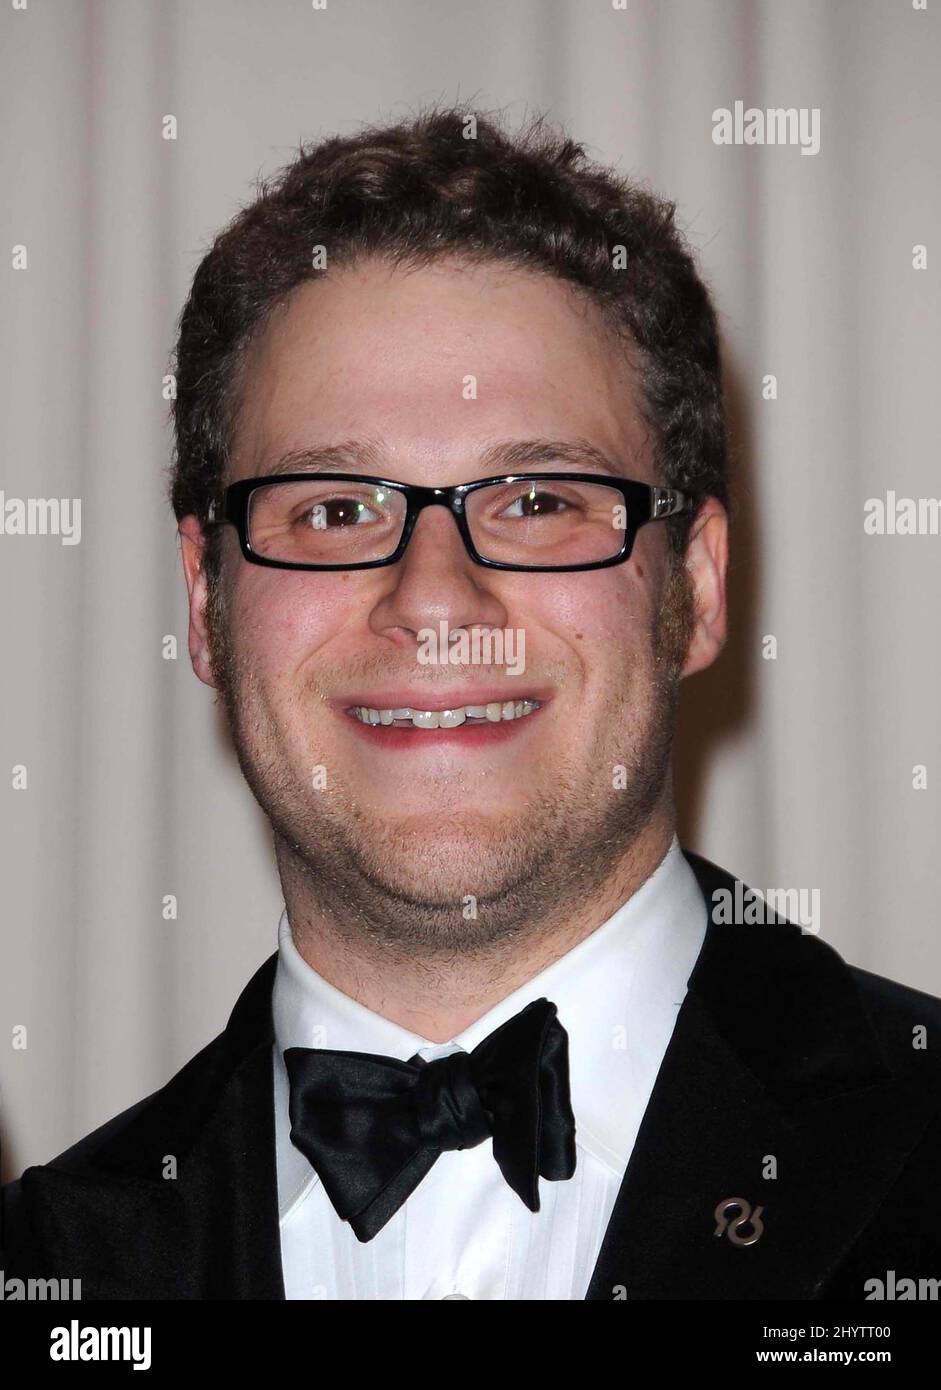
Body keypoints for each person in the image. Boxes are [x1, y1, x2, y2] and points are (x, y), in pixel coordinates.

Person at [3, 106, 940, 1301]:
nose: (433, 599)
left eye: (538, 499)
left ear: (695, 588)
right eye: (335, 510)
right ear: (205, 598)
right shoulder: (47, 1270)